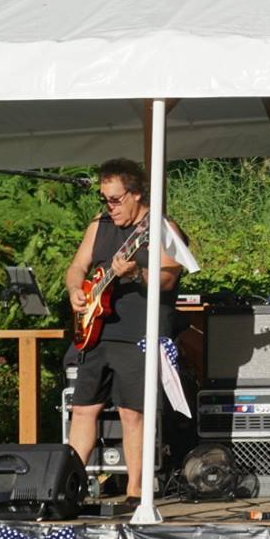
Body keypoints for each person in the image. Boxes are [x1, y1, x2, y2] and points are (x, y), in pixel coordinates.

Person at [63, 157, 189, 500]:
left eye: (116, 200)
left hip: (138, 332)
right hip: (96, 330)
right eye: (105, 199)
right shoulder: (100, 224)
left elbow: (168, 278)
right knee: (83, 409)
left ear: (136, 194)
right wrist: (75, 290)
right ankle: (70, 487)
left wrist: (135, 274)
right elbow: (77, 267)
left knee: (132, 412)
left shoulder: (162, 228)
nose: (110, 207)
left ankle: (136, 493)